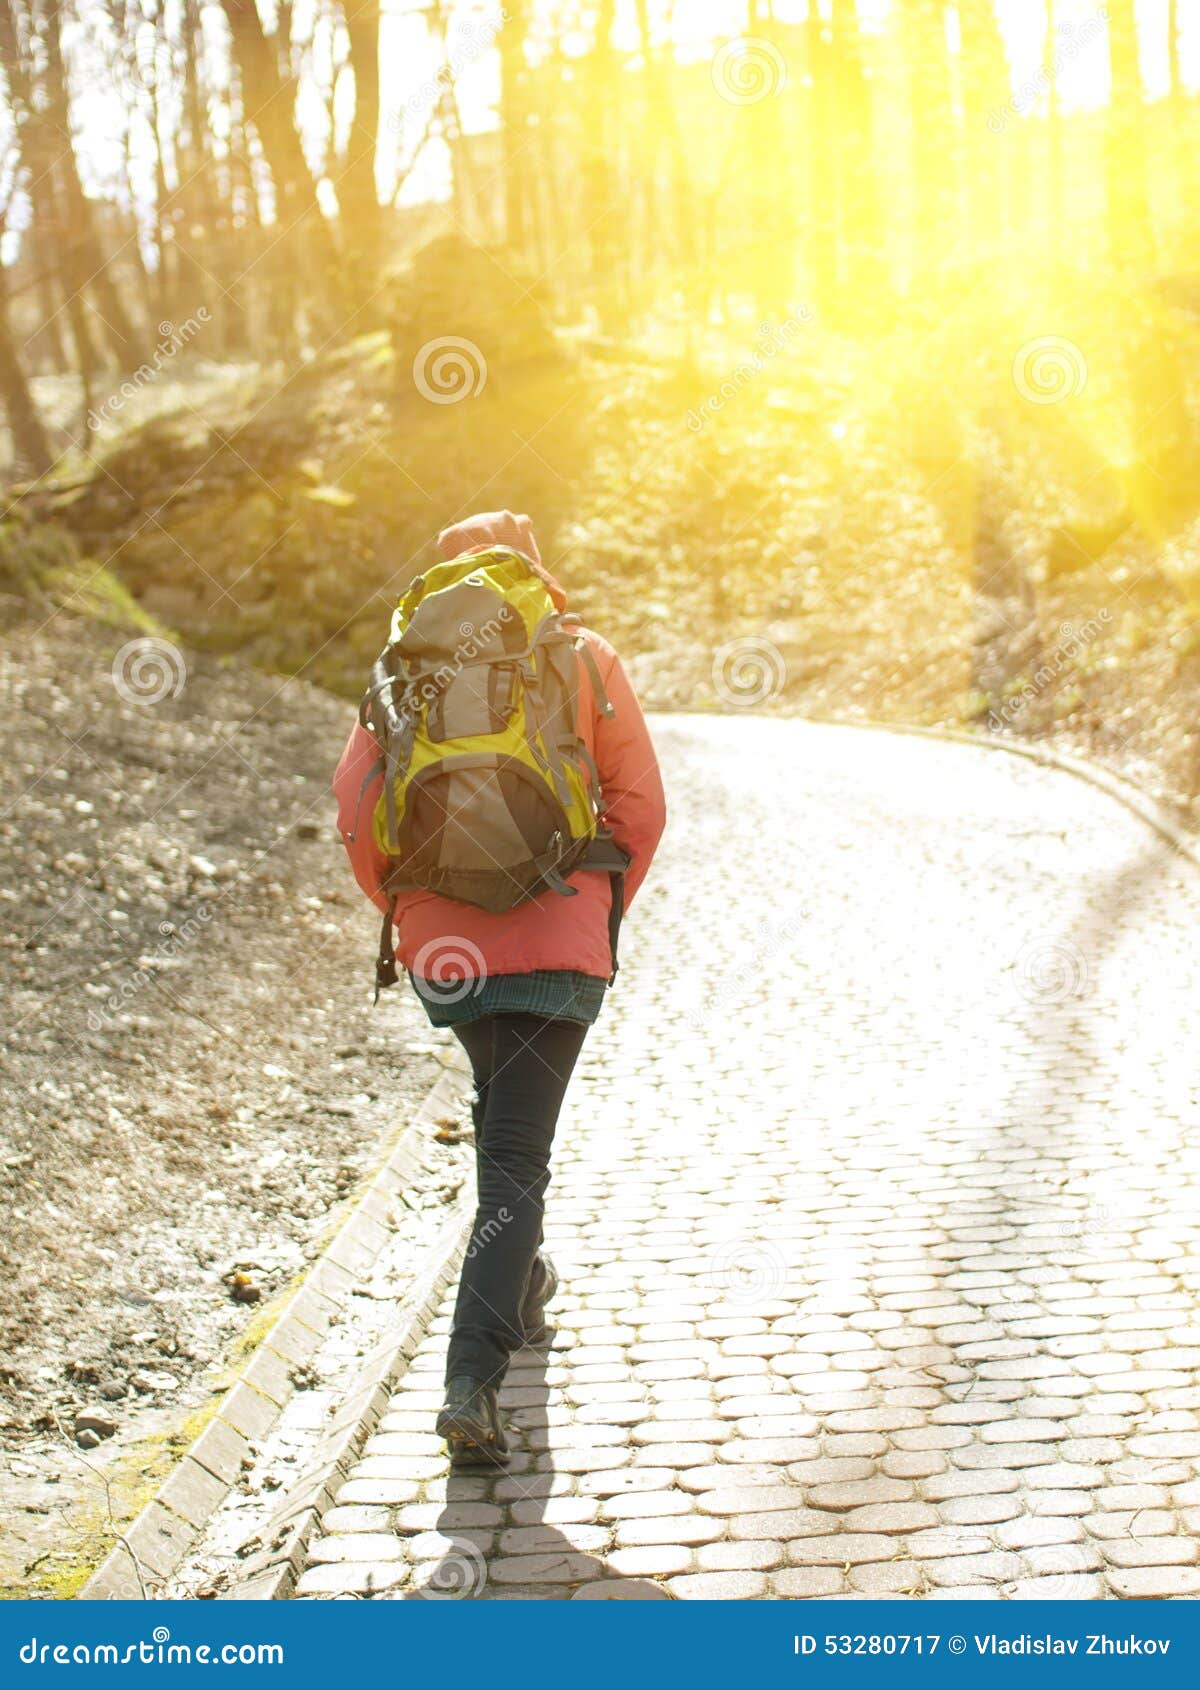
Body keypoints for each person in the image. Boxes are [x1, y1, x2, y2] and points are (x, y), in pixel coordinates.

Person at [333, 510, 665, 1463]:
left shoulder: (404, 668)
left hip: (445, 947)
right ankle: (469, 1383)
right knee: (515, 1159)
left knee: (504, 1125)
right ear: (532, 567)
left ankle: (521, 1286)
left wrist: (408, 908)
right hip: (559, 936)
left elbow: (357, 810)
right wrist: (599, 911)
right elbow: (641, 805)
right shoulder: (582, 657)